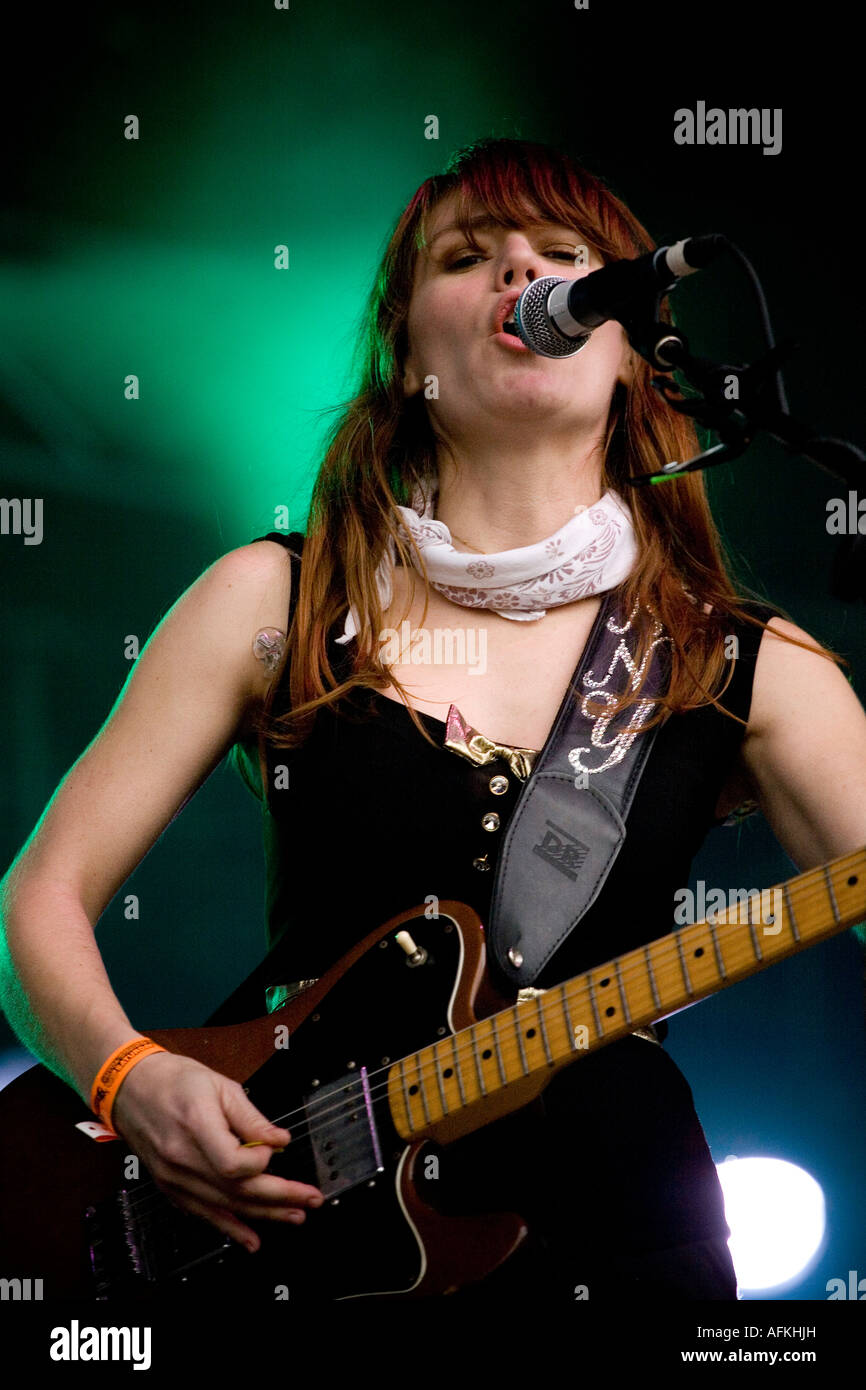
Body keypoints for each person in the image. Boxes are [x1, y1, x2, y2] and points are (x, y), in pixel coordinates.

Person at [2, 137, 865, 1304]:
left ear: (627, 351)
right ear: (405, 344)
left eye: (564, 256)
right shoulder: (276, 600)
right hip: (288, 1241)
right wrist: (124, 1077)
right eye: (469, 256)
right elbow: (35, 896)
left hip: (623, 1238)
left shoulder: (747, 662)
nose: (521, 269)